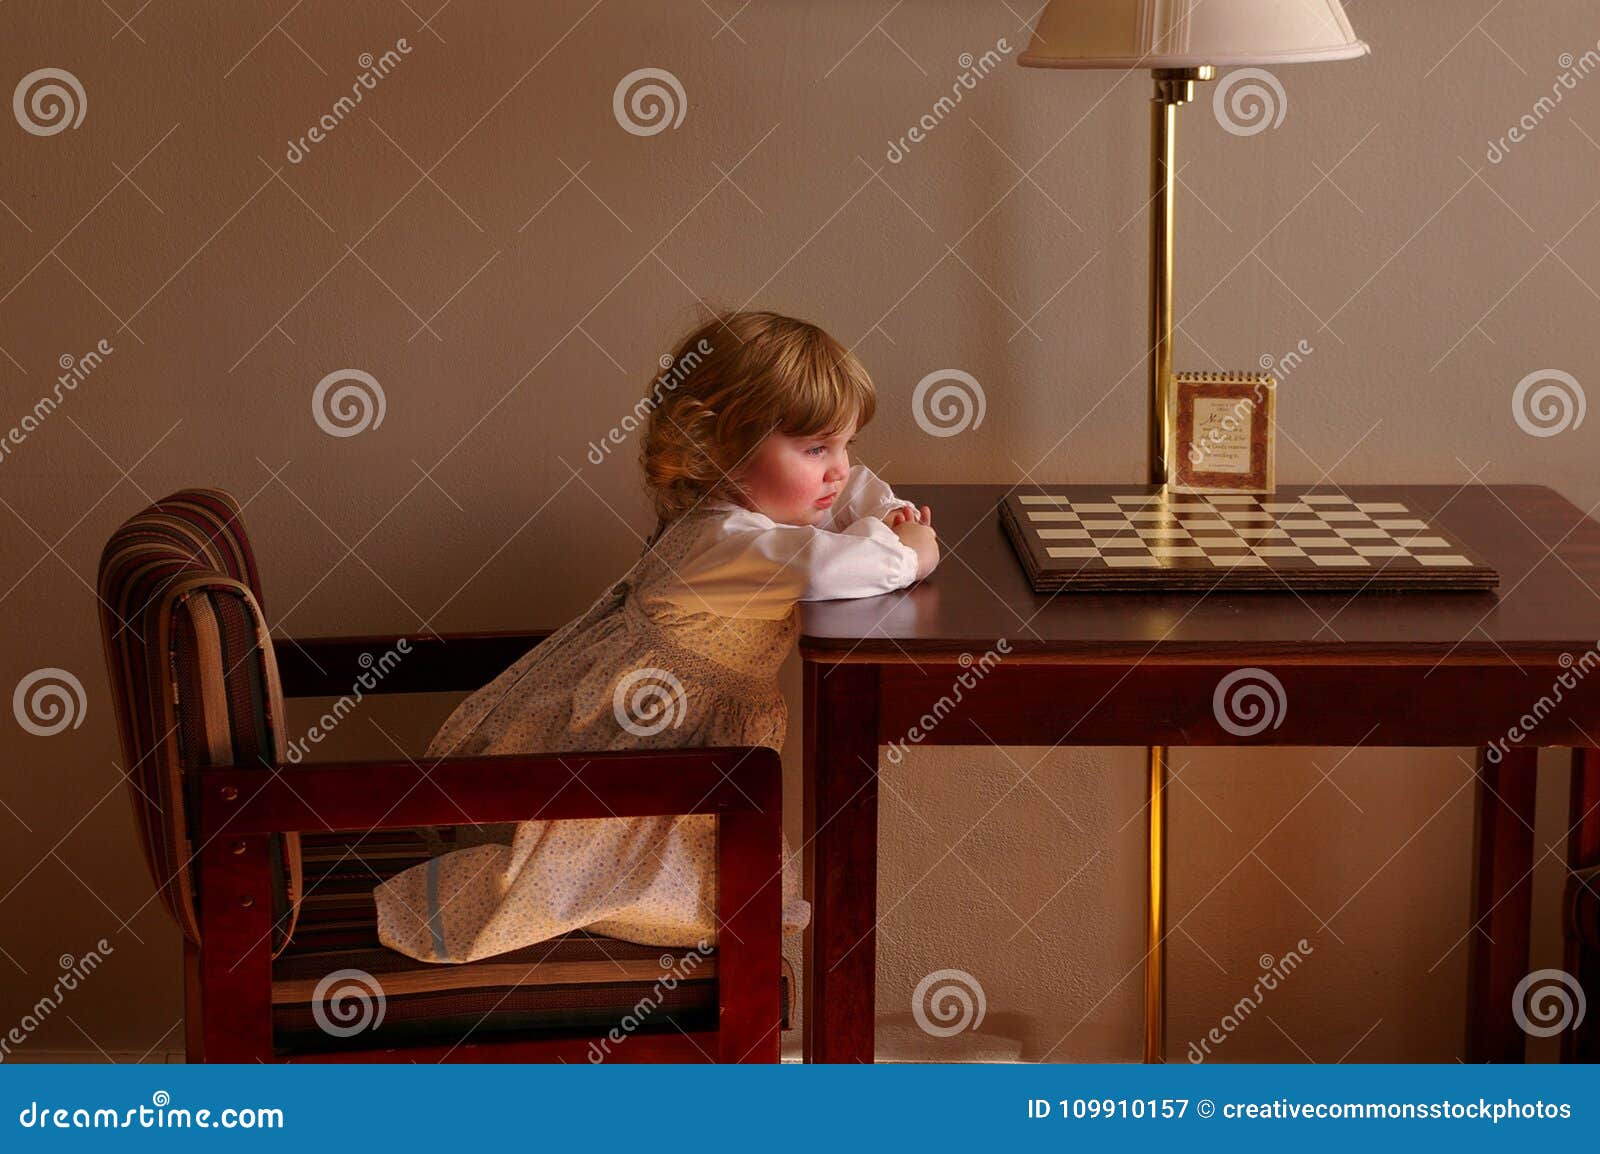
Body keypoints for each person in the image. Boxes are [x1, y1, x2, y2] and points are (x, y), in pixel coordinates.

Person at [373, 309, 940, 963]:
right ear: (720, 450)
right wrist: (913, 548)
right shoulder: (729, 544)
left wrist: (886, 510)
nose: (839, 469)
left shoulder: (745, 509)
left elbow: (852, 492)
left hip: (670, 741)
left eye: (845, 444)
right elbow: (834, 566)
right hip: (639, 751)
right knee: (620, 878)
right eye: (817, 448)